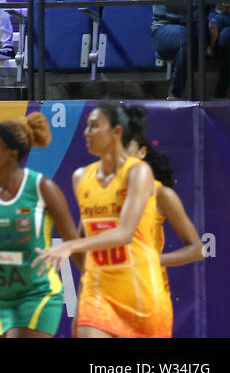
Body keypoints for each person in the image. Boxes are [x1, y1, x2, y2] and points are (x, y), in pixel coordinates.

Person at [34, 103, 172, 338]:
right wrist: (84, 293)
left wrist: (71, 245)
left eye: (94, 127)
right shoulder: (82, 176)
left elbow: (124, 233)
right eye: (87, 126)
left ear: (116, 133)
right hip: (98, 290)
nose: (86, 133)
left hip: (140, 289)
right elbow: (83, 242)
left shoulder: (142, 177)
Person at [0, 112, 81, 337]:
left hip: (37, 294)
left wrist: (94, 288)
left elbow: (73, 241)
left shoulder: (43, 188)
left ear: (11, 154)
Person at [124, 104, 205, 329]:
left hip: (149, 298)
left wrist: (152, 261)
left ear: (141, 152)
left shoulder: (160, 194)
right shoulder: (93, 188)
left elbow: (197, 249)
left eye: (125, 146)